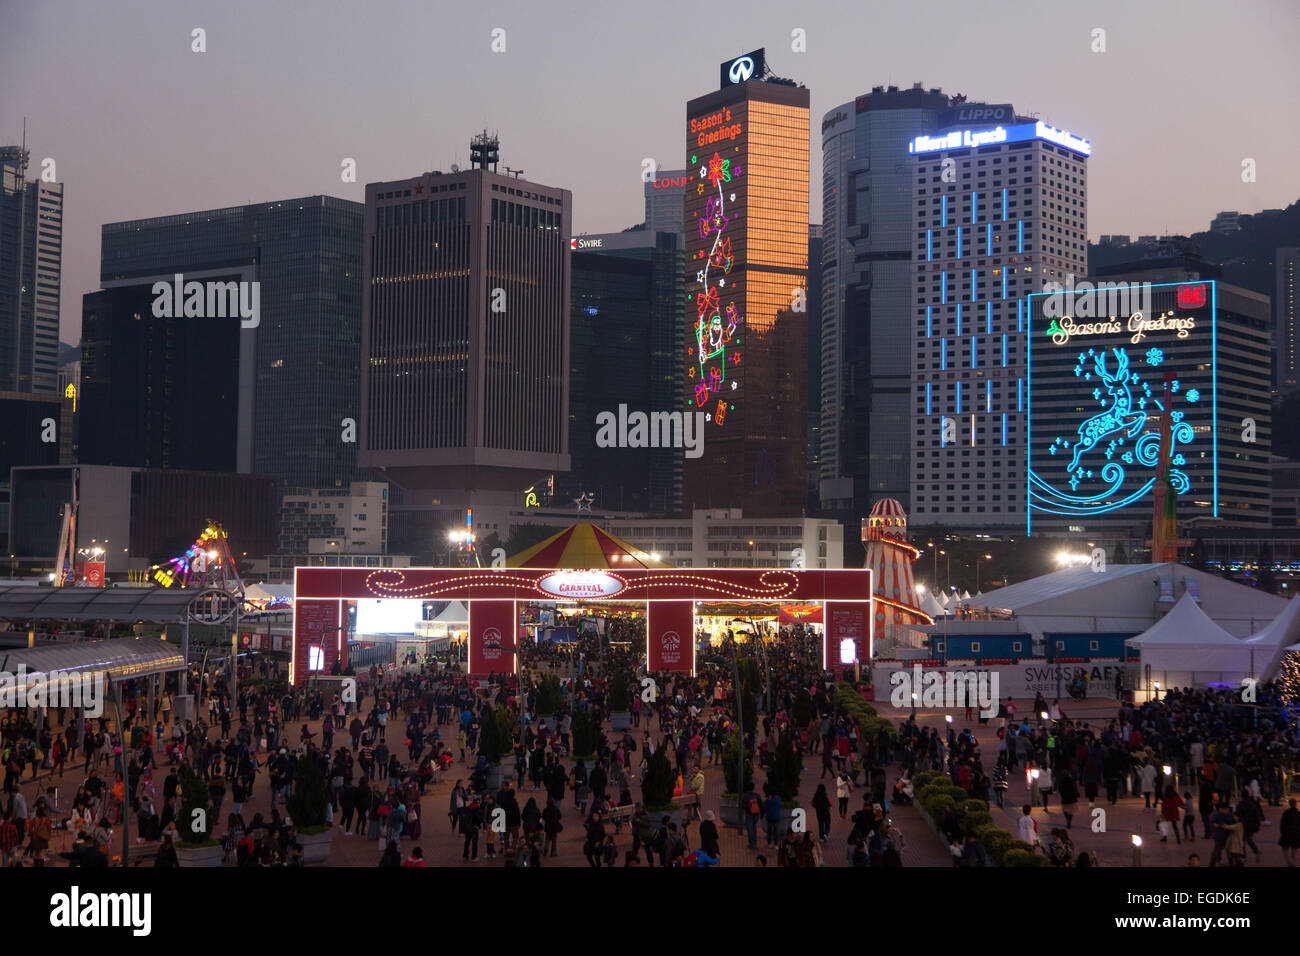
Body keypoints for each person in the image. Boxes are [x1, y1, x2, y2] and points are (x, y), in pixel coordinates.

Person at [1279, 798, 1300, 867]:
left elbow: (1282, 824)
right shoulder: (1298, 813)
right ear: (1296, 804)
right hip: (1296, 834)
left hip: (1287, 834)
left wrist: (1282, 832)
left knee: (1284, 849)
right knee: (1294, 849)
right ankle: (1293, 862)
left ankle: (1289, 862)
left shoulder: (1286, 812)